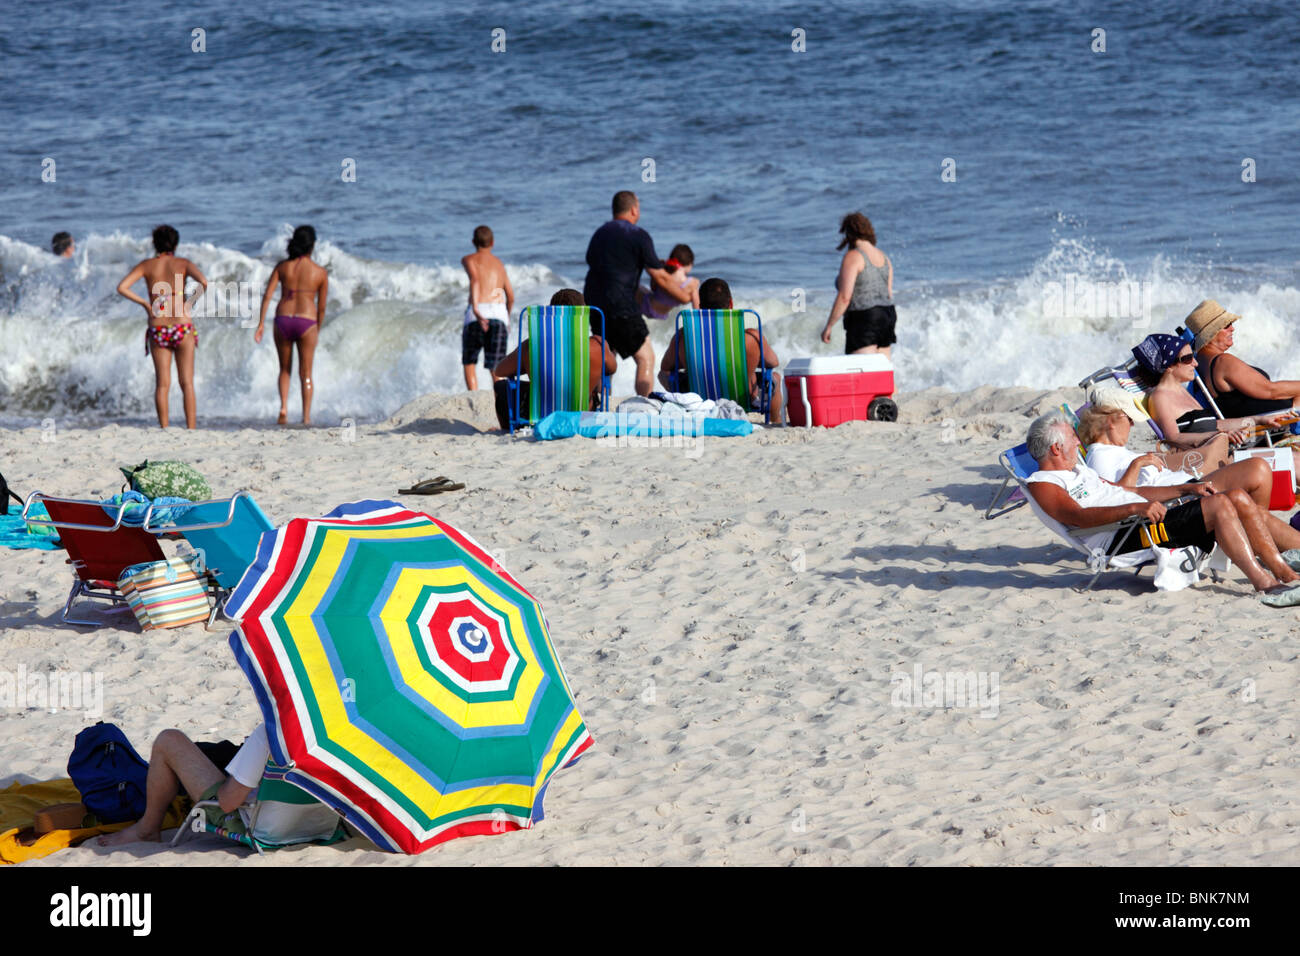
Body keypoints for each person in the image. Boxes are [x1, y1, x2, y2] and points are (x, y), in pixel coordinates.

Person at [1024, 410, 1300, 605]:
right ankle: (1263, 582)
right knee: (1218, 505)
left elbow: (1130, 490)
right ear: (1056, 449)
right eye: (1072, 438)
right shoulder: (1043, 483)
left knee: (1237, 495)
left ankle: (1283, 571)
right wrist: (1133, 509)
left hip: (1139, 519)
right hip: (1123, 536)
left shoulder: (1079, 472)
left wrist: (1186, 489)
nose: (1077, 442)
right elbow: (1079, 518)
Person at [98, 723, 334, 846]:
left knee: (168, 739)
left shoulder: (270, 732)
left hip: (264, 830)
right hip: (323, 827)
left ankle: (146, 830)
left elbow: (228, 802)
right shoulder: (344, 733)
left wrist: (239, 777)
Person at [1078, 386, 1278, 512]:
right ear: (1110, 421)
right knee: (1257, 470)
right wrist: (1138, 464)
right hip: (1182, 497)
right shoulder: (1099, 456)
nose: (1132, 426)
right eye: (1129, 419)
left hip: (1188, 488)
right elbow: (1113, 501)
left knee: (1255, 476)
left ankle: (1260, 535)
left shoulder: (1113, 451)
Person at [583, 191, 679, 396]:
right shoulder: (638, 235)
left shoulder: (599, 234)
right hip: (622, 307)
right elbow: (660, 277)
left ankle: (600, 407)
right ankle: (642, 405)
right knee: (646, 358)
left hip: (595, 304)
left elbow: (600, 265)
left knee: (606, 359)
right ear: (634, 209)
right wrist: (683, 293)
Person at [116, 225, 208, 429]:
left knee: (162, 384)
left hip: (158, 327)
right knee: (187, 383)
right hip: (182, 326)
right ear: (175, 244)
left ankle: (164, 428)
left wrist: (146, 304)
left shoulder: (147, 265)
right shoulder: (182, 263)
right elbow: (203, 282)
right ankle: (191, 428)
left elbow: (122, 287)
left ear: (154, 243)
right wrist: (188, 304)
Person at [658, 277, 784, 420]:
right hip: (744, 400)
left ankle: (688, 409)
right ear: (730, 303)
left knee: (664, 375)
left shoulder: (684, 336)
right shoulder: (751, 337)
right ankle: (775, 420)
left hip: (699, 401)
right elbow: (773, 362)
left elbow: (665, 368)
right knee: (775, 377)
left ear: (700, 305)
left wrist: (693, 361)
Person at [492, 289, 618, 431]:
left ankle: (508, 430)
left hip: (543, 415)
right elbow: (612, 368)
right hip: (584, 415)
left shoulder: (532, 346)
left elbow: (500, 371)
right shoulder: (597, 345)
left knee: (501, 387)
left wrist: (528, 365)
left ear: (552, 314)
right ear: (583, 314)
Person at [1136, 333, 1287, 450]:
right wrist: (1219, 436)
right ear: (1168, 366)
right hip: (1208, 459)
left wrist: (1259, 420)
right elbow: (1173, 438)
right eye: (1188, 359)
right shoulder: (1160, 397)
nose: (1195, 363)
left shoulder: (1181, 392)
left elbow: (1214, 424)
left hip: (1223, 450)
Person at [255, 225, 328, 425]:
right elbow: (321, 308)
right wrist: (317, 329)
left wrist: (261, 323)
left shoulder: (282, 267)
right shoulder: (319, 272)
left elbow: (268, 295)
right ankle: (306, 417)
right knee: (306, 373)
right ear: (312, 246)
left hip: (283, 319)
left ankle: (284, 408)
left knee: (284, 369)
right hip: (307, 321)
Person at [1186, 299, 1300, 420]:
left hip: (1251, 420)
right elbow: (1271, 391)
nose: (1232, 328)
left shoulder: (1199, 363)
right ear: (1210, 334)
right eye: (1226, 325)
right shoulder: (1223, 362)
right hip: (1270, 421)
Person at [821, 212, 896, 357]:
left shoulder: (854, 256)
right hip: (887, 315)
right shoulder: (884, 257)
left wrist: (829, 326)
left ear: (849, 233)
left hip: (864, 318)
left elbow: (844, 297)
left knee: (862, 372)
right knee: (883, 372)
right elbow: (888, 293)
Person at [460, 225, 515, 392]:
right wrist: (506, 317)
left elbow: (475, 280)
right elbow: (511, 297)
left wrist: (476, 309)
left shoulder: (468, 259)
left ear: (473, 242)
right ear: (493, 242)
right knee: (497, 366)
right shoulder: (499, 265)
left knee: (469, 362)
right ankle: (500, 400)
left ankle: (473, 395)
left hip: (477, 314)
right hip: (499, 315)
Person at [636, 243, 699, 318]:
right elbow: (696, 307)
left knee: (636, 287)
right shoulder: (692, 283)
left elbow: (653, 288)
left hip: (646, 306)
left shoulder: (664, 276)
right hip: (660, 314)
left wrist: (658, 268)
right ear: (690, 263)